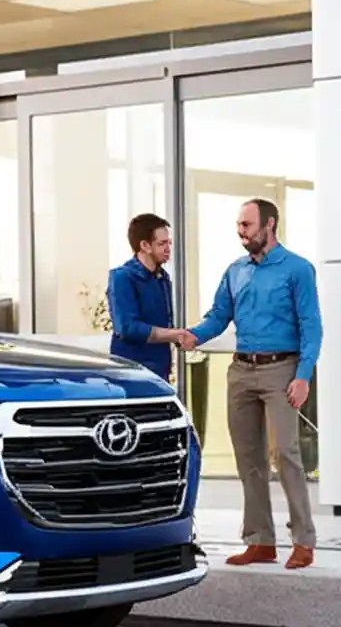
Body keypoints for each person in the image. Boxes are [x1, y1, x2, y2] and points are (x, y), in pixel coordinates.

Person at [180, 198, 321, 570]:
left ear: (269, 224)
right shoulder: (235, 271)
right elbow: (218, 316)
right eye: (239, 225)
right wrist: (194, 335)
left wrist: (303, 375)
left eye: (247, 224)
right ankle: (260, 541)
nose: (240, 231)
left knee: (286, 454)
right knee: (248, 458)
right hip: (241, 371)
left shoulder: (297, 269)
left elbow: (312, 326)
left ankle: (303, 540)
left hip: (281, 370)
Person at [106, 213, 190, 381]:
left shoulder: (163, 278)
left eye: (169, 243)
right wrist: (173, 334)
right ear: (144, 245)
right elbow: (127, 328)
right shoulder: (122, 277)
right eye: (162, 243)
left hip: (160, 371)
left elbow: (165, 323)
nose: (168, 248)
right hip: (131, 372)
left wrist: (178, 336)